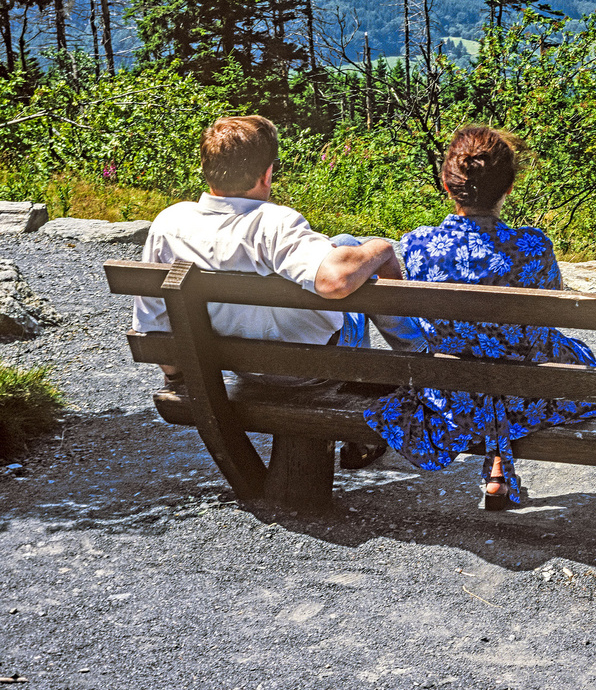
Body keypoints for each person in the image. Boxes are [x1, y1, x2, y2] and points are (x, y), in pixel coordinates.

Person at [363, 125, 596, 509]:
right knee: (583, 363)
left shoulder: (418, 244)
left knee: (488, 368)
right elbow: (552, 306)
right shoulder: (533, 246)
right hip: (528, 393)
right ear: (509, 187)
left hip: (452, 395)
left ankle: (498, 467)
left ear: (447, 184)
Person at [133, 114, 402, 468]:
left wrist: (180, 377)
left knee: (340, 245)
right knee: (353, 248)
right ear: (267, 173)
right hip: (312, 367)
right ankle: (417, 365)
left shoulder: (170, 223)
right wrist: (381, 248)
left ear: (206, 167)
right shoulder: (272, 223)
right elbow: (335, 281)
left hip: (233, 364)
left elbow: (153, 321)